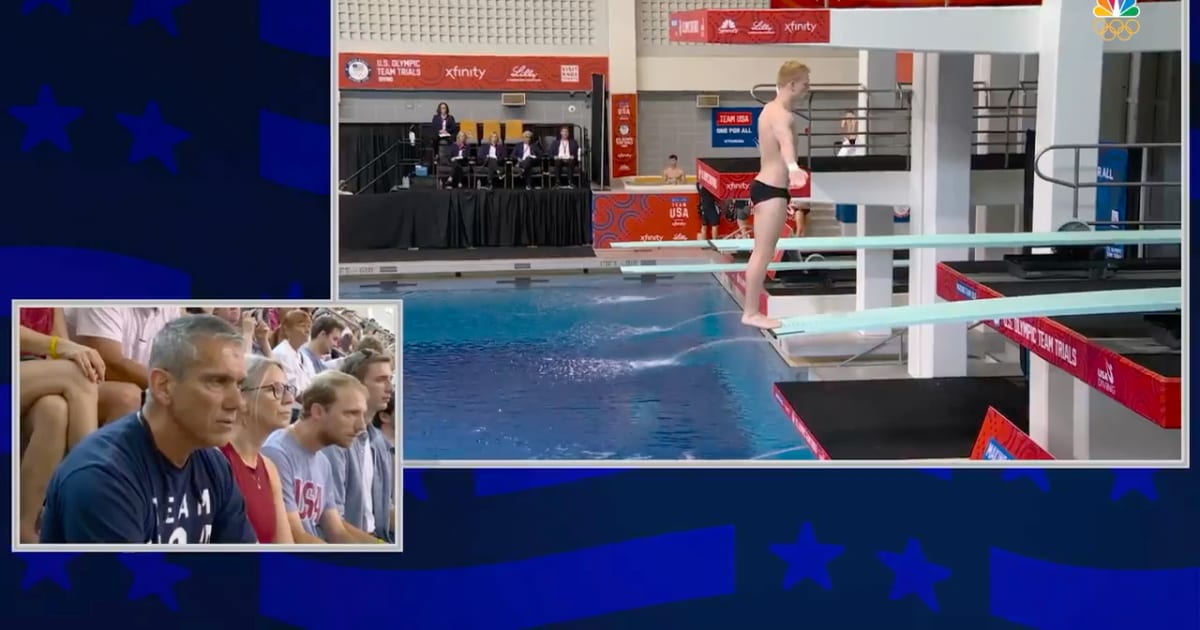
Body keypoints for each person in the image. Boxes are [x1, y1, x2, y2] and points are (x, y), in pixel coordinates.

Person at [39, 314, 257, 544]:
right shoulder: (102, 477)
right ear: (163, 386)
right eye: (217, 382)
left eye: (239, 385)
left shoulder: (214, 465)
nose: (238, 403)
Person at [262, 371, 385, 544]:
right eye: (351, 414)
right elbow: (296, 537)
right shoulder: (276, 452)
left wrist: (381, 548)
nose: (361, 427)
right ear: (317, 411)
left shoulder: (322, 462)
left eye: (361, 415)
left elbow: (337, 531)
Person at [17, 316, 104, 543]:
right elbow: (59, 344)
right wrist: (58, 346)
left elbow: (62, 340)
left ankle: (25, 527)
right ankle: (89, 493)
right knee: (78, 376)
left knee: (54, 411)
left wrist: (70, 350)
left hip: (34, 372)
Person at [742, 60, 811, 330]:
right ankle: (751, 312)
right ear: (791, 85)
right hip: (771, 190)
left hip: (767, 187)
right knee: (763, 253)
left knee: (762, 252)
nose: (807, 90)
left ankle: (752, 303)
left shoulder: (768, 109)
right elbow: (785, 142)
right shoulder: (782, 115)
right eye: (805, 85)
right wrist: (793, 168)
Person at [219, 355, 296, 544]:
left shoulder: (269, 468)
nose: (289, 400)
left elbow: (285, 549)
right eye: (275, 389)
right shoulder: (217, 459)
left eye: (288, 389)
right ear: (242, 397)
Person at [324, 350, 395, 542]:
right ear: (356, 385)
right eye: (381, 380)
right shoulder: (335, 443)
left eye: (390, 379)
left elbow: (385, 509)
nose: (390, 388)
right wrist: (379, 546)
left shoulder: (379, 442)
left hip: (374, 538)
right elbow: (333, 522)